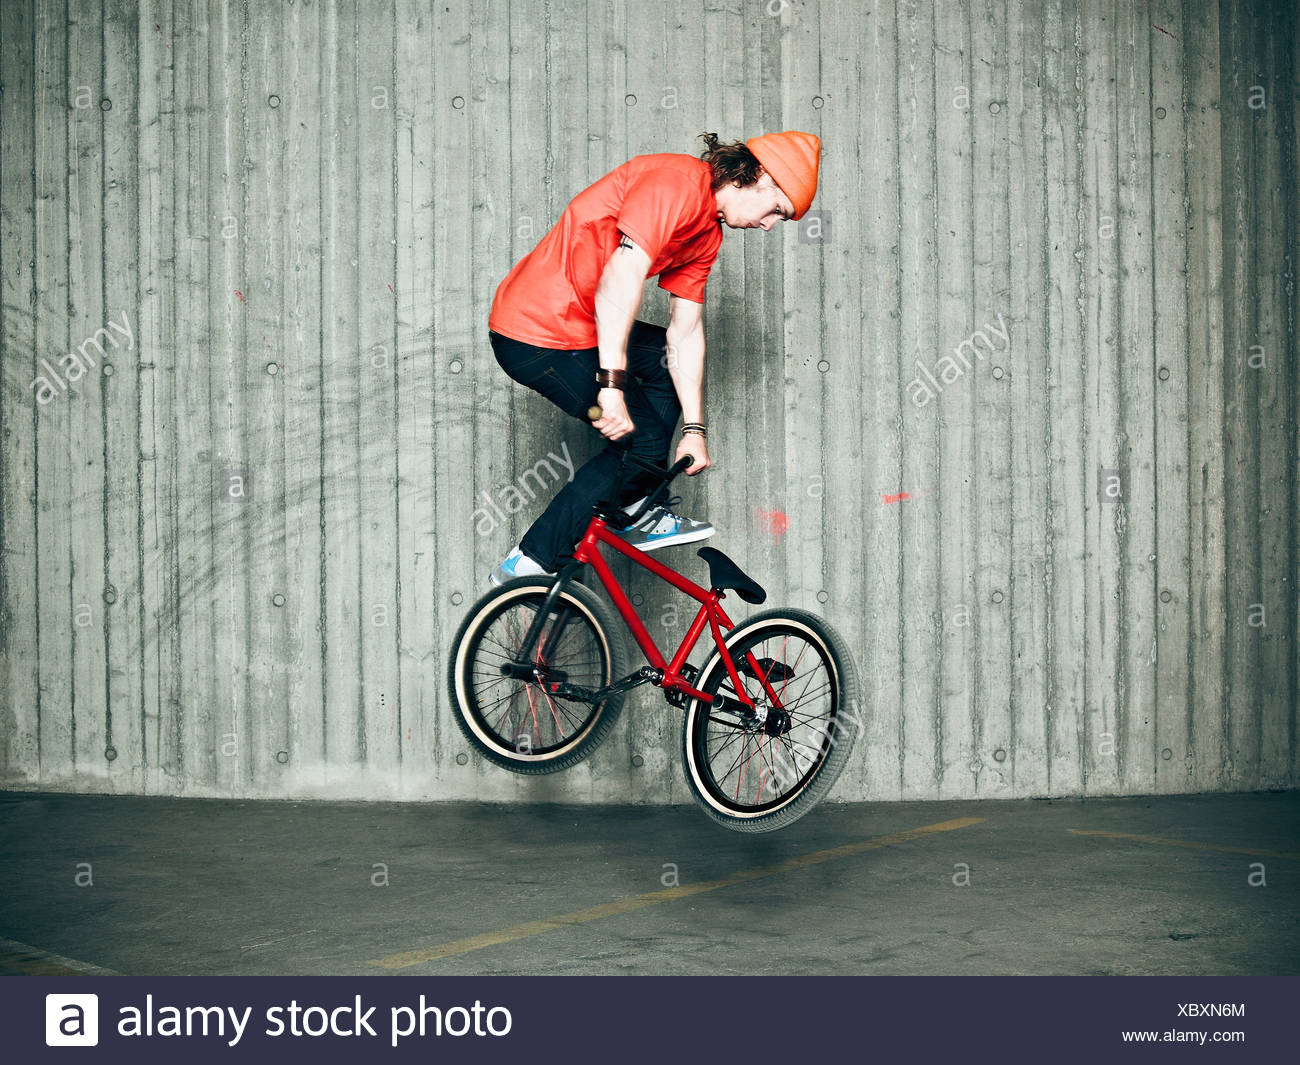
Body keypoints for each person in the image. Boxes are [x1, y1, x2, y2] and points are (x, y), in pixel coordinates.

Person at [486, 129, 821, 586]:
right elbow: (617, 282)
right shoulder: (675, 184)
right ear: (759, 177)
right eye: (776, 211)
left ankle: (634, 506)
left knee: (662, 367)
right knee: (640, 441)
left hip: (580, 330)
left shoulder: (707, 233)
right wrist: (611, 387)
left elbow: (685, 334)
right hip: (536, 334)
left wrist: (694, 430)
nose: (768, 226)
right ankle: (533, 561)